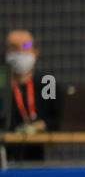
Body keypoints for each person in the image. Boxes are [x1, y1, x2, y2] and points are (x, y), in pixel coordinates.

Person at [3, 28, 62, 162]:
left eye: (26, 46)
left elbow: (57, 118)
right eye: (14, 47)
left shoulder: (47, 83)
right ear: (6, 52)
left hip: (36, 157)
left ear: (35, 51)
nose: (20, 52)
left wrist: (41, 125)